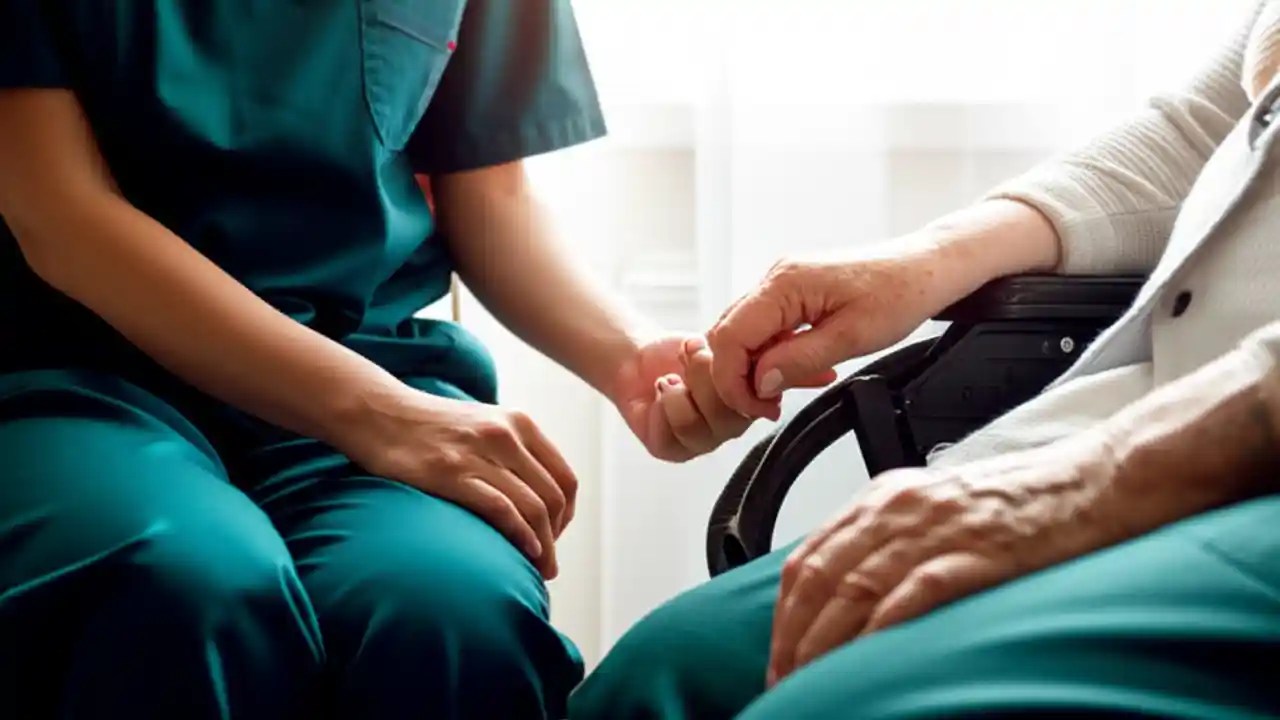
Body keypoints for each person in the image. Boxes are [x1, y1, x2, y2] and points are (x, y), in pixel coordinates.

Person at [0, 2, 766, 718]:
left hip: (373, 371)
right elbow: (57, 211)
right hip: (76, 380)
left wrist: (632, 360)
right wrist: (380, 415)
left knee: (452, 612)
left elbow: (490, 201)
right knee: (184, 587)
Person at [570, 2, 1280, 718]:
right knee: (664, 677)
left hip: (1245, 481)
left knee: (824, 706)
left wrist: (1087, 485)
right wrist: (927, 261)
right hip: (1146, 418)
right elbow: (1211, 128)